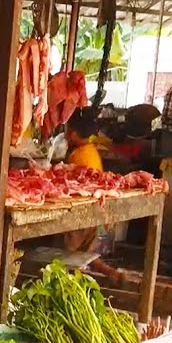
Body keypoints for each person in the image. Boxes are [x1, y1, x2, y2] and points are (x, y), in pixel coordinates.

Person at [63, 108, 104, 252]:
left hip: (80, 208)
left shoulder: (78, 155)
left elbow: (68, 182)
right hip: (94, 207)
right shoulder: (91, 150)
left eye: (66, 131)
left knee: (71, 251)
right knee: (85, 253)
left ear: (73, 134)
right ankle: (115, 274)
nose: (65, 135)